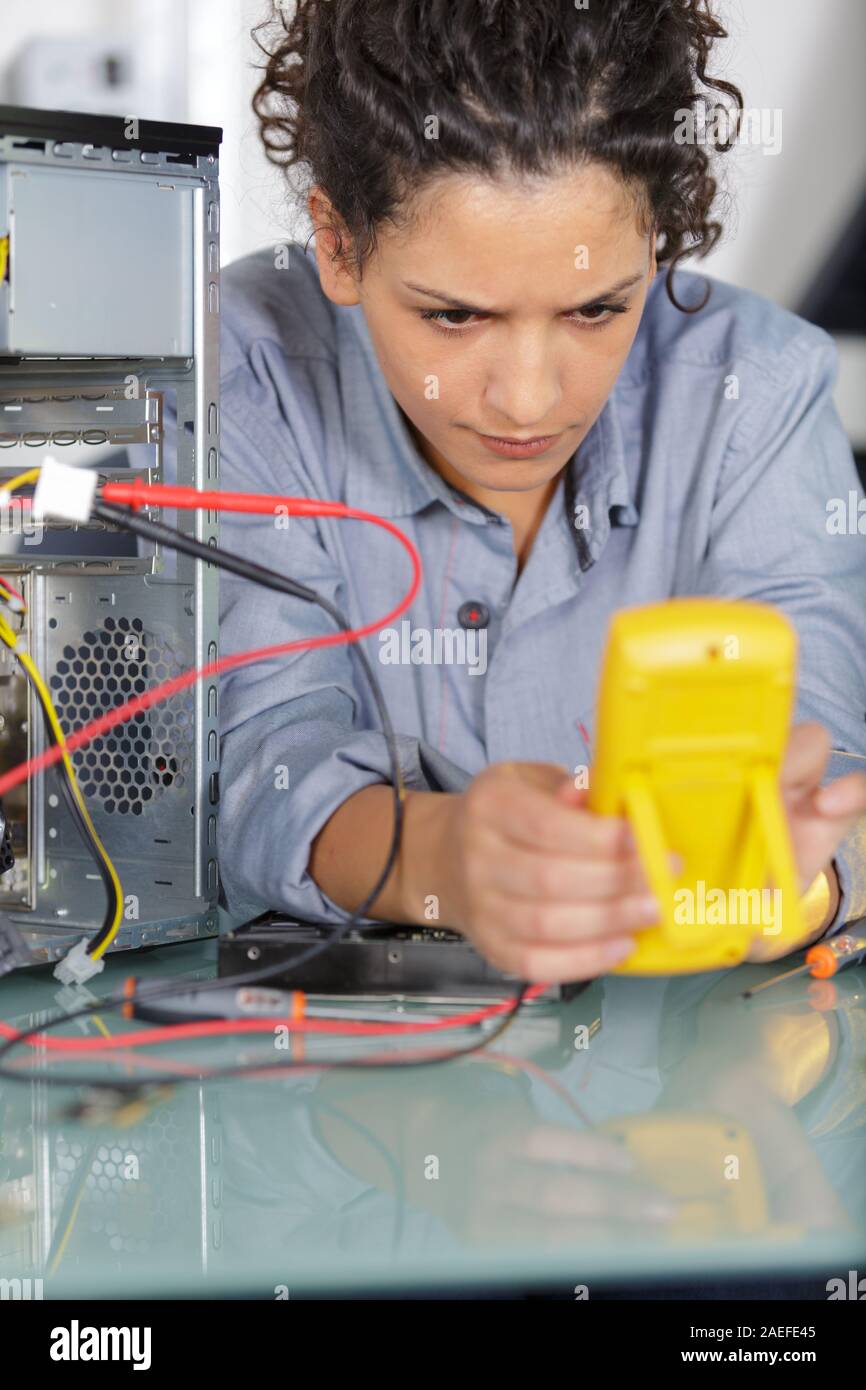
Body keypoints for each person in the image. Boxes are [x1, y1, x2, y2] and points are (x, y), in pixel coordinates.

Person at [215, 0, 866, 983]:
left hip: (690, 1090)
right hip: (350, 1105)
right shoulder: (249, 368)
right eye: (454, 316)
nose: (527, 399)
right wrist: (445, 860)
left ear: (655, 238)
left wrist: (782, 883)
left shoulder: (755, 384)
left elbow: (827, 760)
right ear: (338, 243)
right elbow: (263, 759)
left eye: (595, 308)